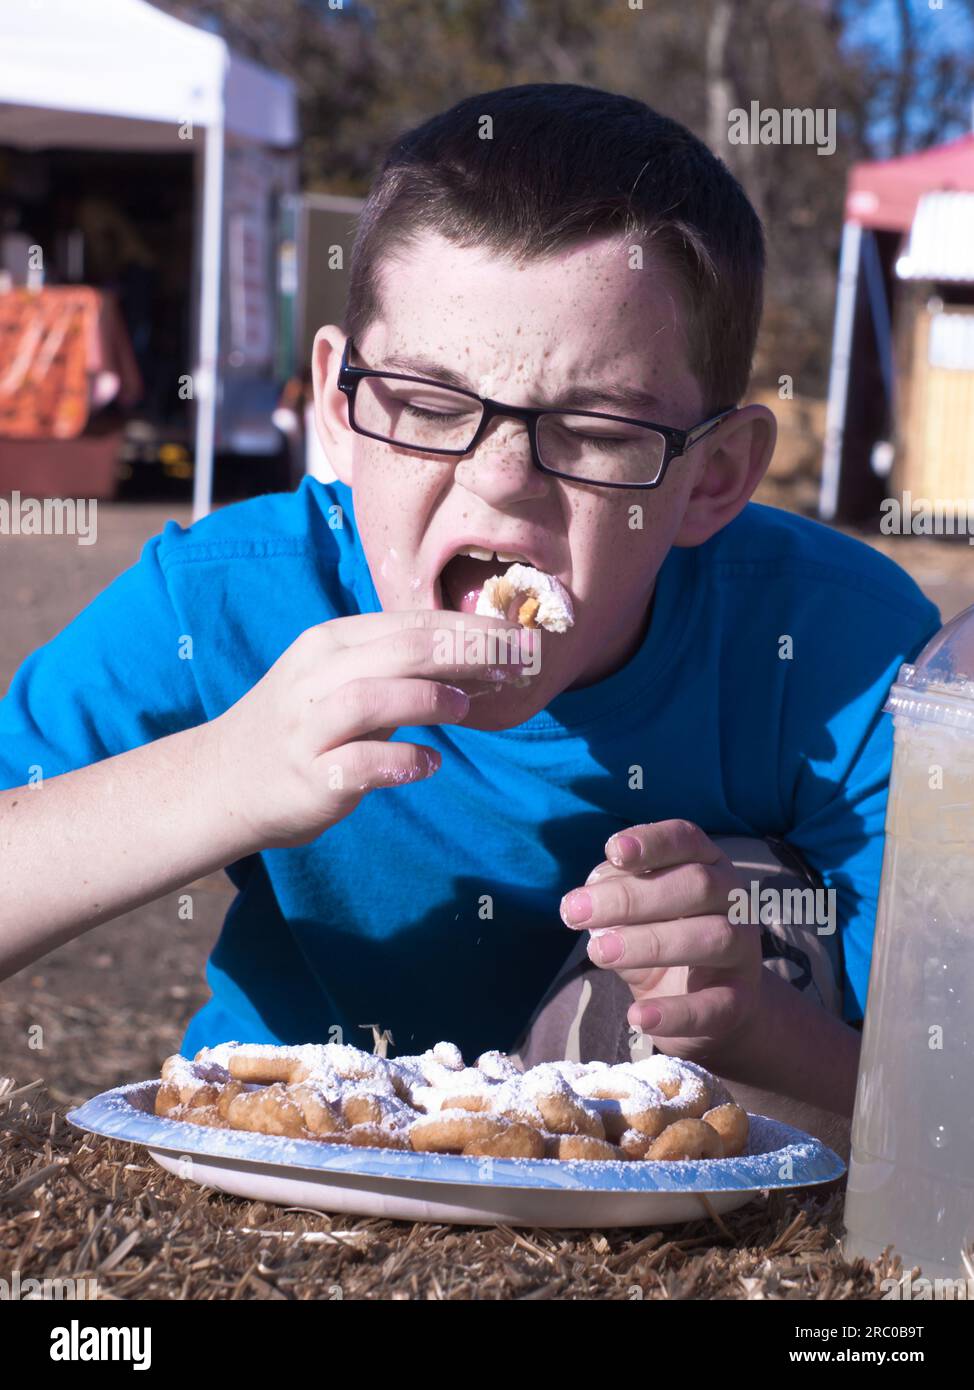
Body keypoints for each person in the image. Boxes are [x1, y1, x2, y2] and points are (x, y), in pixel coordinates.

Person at [0, 85, 940, 1156]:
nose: (498, 486)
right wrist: (221, 773)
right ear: (336, 410)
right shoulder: (223, 597)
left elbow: (942, 1112)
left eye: (591, 430)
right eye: (427, 404)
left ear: (711, 478)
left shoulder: (842, 655)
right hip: (285, 1176)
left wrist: (751, 1022)